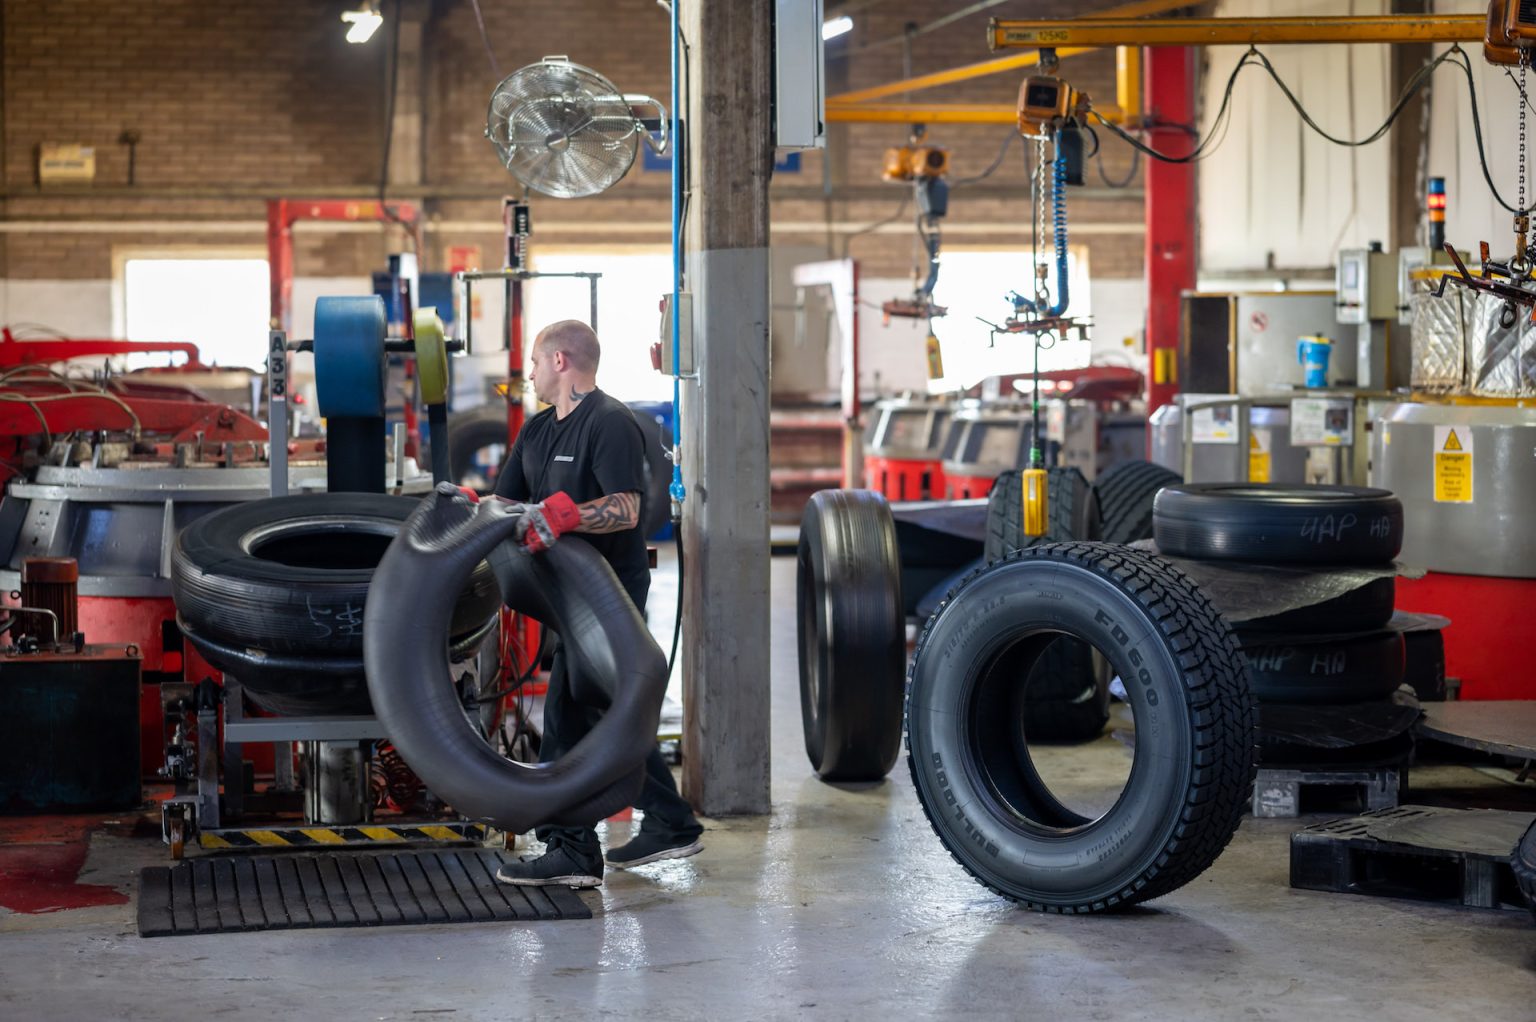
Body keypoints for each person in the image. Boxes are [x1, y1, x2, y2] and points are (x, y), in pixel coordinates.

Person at [491, 319, 703, 888]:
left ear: (560, 361)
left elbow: (629, 509)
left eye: (535, 362)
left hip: (609, 593)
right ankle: (672, 820)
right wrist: (467, 510)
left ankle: (572, 851)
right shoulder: (536, 432)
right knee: (609, 715)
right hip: (561, 594)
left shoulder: (610, 422)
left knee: (567, 716)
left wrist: (568, 516)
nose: (530, 374)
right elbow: (505, 502)